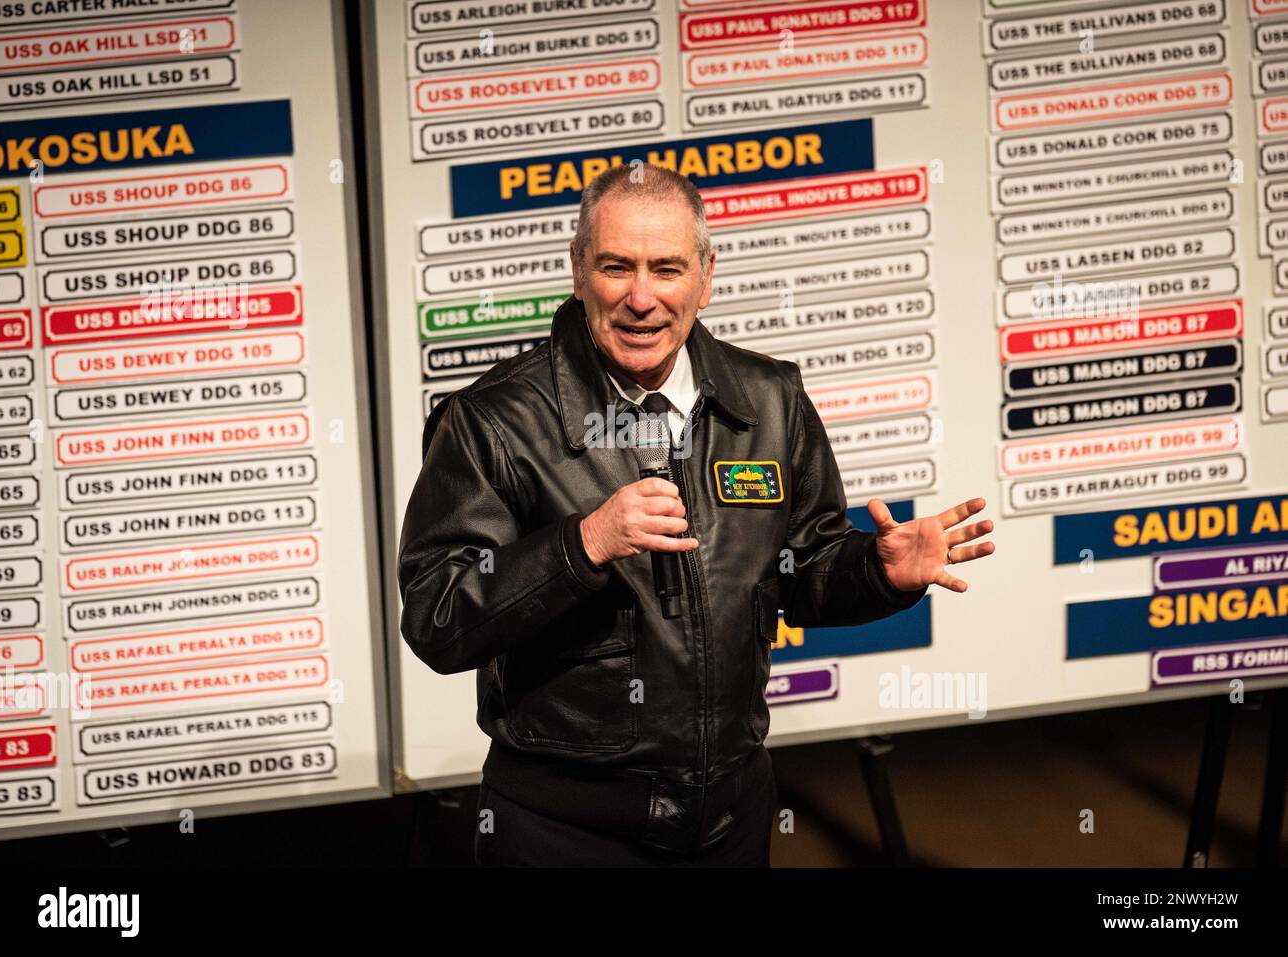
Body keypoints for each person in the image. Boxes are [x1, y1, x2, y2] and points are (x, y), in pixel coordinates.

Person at [396, 163, 996, 867]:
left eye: (667, 268)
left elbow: (801, 570)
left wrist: (876, 568)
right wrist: (582, 545)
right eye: (617, 266)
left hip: (730, 821)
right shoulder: (492, 421)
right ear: (578, 270)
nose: (641, 297)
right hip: (564, 831)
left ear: (705, 276)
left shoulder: (770, 399)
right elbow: (437, 615)